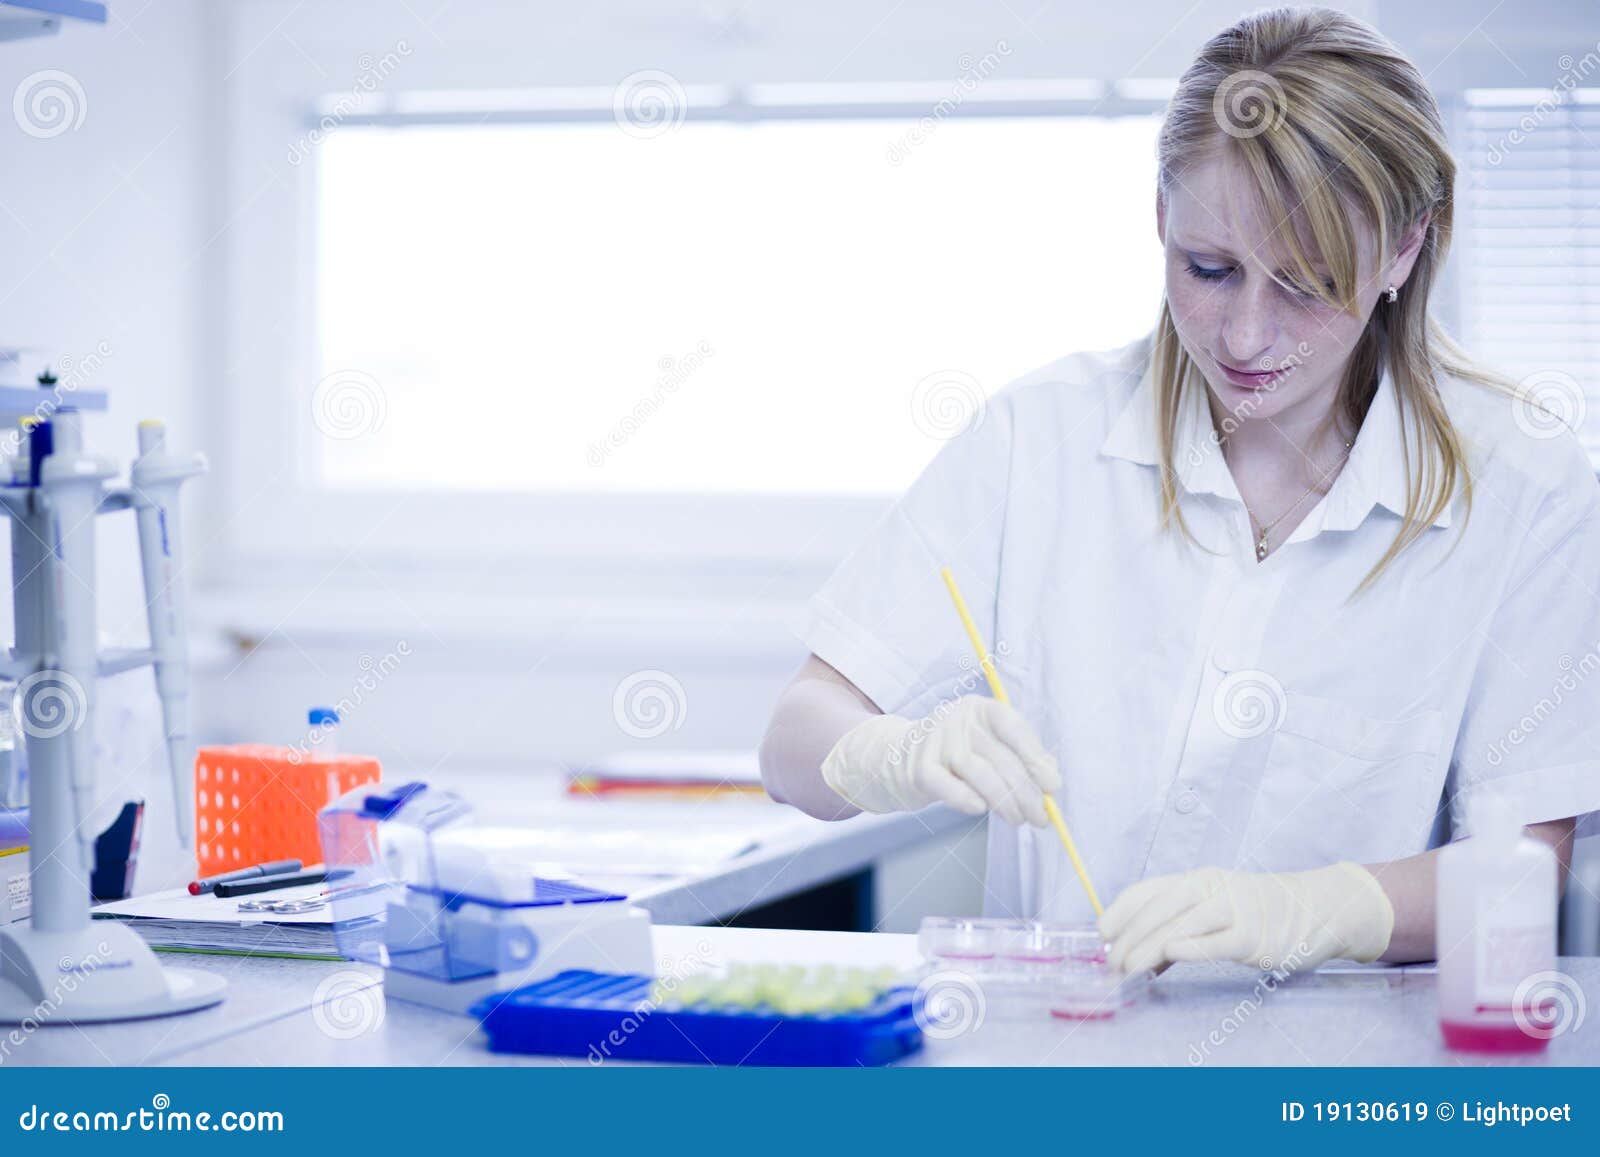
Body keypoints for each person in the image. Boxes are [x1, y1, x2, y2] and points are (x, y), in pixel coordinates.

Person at [758, 6, 1600, 976]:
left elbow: (1523, 871)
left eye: (1306, 283)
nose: (1244, 337)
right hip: (1069, 1058)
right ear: (1160, 219)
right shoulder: (1037, 439)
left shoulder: (1526, 489)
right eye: (1208, 268)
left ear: (1404, 251)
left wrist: (1312, 907)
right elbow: (792, 740)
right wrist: (890, 752)